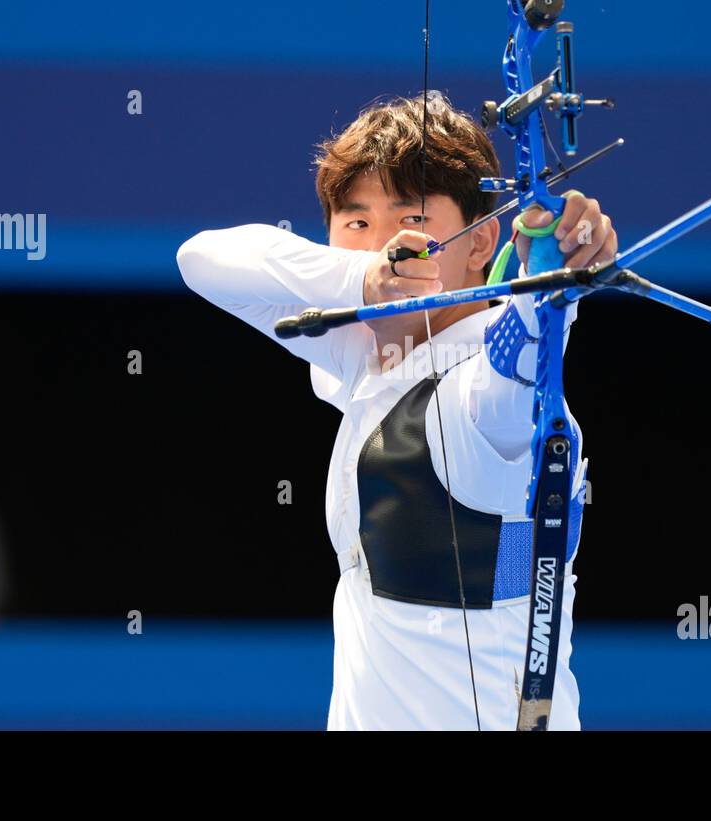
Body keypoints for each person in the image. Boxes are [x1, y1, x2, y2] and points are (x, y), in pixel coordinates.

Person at [177, 92, 616, 730]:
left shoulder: (480, 392)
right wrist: (360, 283)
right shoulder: (370, 358)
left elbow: (524, 356)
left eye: (411, 216)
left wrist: (552, 283)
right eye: (357, 223)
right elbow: (202, 260)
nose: (385, 244)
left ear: (479, 242)